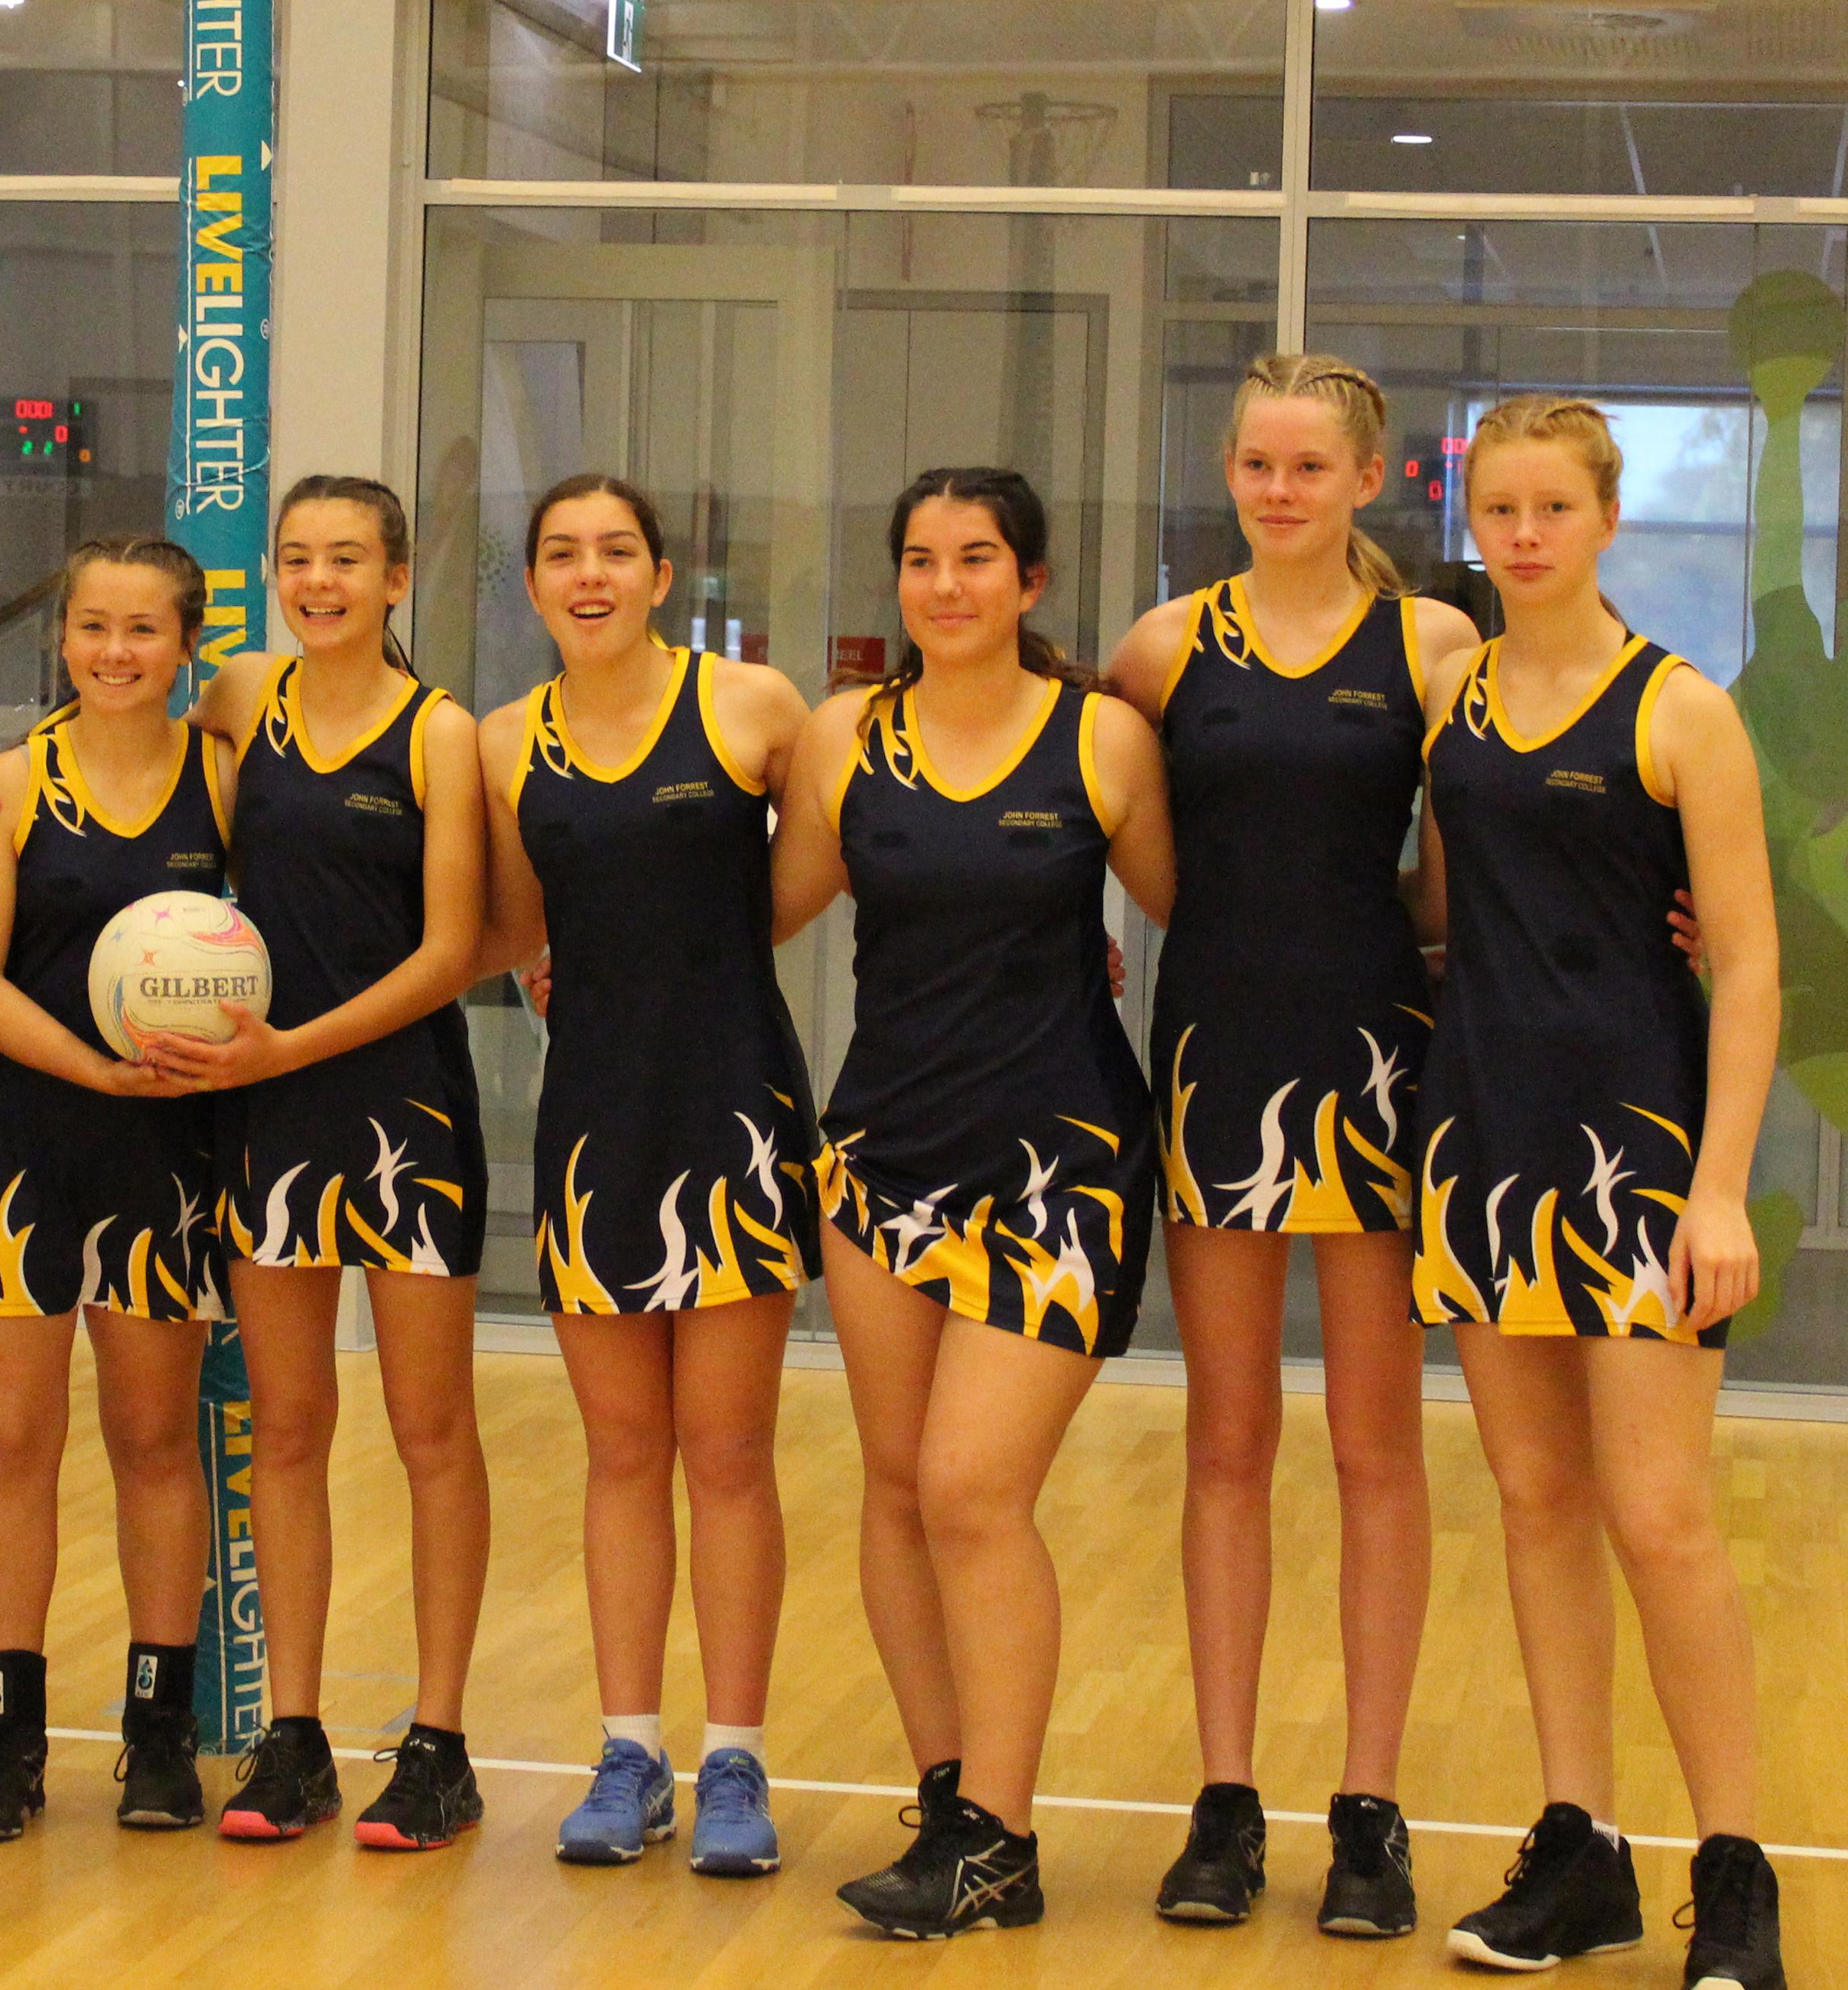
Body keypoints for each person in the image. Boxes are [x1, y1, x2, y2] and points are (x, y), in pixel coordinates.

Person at [0, 475, 493, 1850]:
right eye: (298, 558)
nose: (321, 580)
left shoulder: (355, 745)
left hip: (309, 1121)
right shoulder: (145, 742)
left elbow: (443, 941)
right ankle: (169, 1740)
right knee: (192, 1437)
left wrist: (274, 1054)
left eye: (348, 559)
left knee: (357, 1436)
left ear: (395, 575)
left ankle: (342, 1739)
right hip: (153, 1127)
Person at [769, 465, 1175, 1938]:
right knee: (894, 1489)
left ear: (1029, 581)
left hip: (1059, 1160)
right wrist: (575, 938)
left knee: (970, 1491)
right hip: (878, 1154)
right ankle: (948, 1807)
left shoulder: (1104, 739)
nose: (946, 586)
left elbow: (1221, 910)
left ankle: (1003, 1833)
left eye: (977, 558)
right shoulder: (841, 739)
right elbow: (762, 906)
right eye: (922, 560)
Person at [1412, 396, 1785, 1988]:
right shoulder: (1450, 691)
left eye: (1554, 507)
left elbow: (1752, 958)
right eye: (1500, 507)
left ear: (1606, 519)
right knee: (1539, 1503)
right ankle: (1581, 1853)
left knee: (1660, 1515)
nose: (1525, 534)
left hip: (1636, 1159)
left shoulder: (1683, 710)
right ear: (1472, 514)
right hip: (1480, 1141)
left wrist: (1722, 1191)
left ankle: (1739, 1873)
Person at [1102, 353, 1477, 1933]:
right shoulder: (1163, 648)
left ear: (1368, 478)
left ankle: (1372, 1811)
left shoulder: (1438, 644)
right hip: (1217, 1057)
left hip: (1382, 1064)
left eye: (1309, 466)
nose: (1278, 489)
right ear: (1230, 471)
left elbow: (1473, 872)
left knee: (1379, 1446)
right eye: (1257, 463)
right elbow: (1100, 832)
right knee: (1228, 1440)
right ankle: (1228, 1799)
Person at [474, 474, 818, 1875]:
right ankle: (629, 1751)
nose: (590, 573)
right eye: (562, 554)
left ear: (663, 574)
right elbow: (499, 923)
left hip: (731, 1106)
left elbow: (833, 866)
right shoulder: (501, 742)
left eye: (616, 549)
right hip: (593, 1118)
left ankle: (734, 1759)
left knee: (727, 1454)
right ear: (537, 585)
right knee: (622, 1453)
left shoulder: (752, 709)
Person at [0, 537, 236, 1842]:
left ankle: (156, 1735)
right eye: (93, 628)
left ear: (186, 645)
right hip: (21, 1141)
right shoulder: (3, 785)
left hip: (167, 1151)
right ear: (63, 637)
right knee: (12, 1444)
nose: (115, 653)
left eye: (143, 632)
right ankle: (4, 1745)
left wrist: (156, 1079)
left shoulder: (227, 782)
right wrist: (90, 1068)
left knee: (156, 1441)